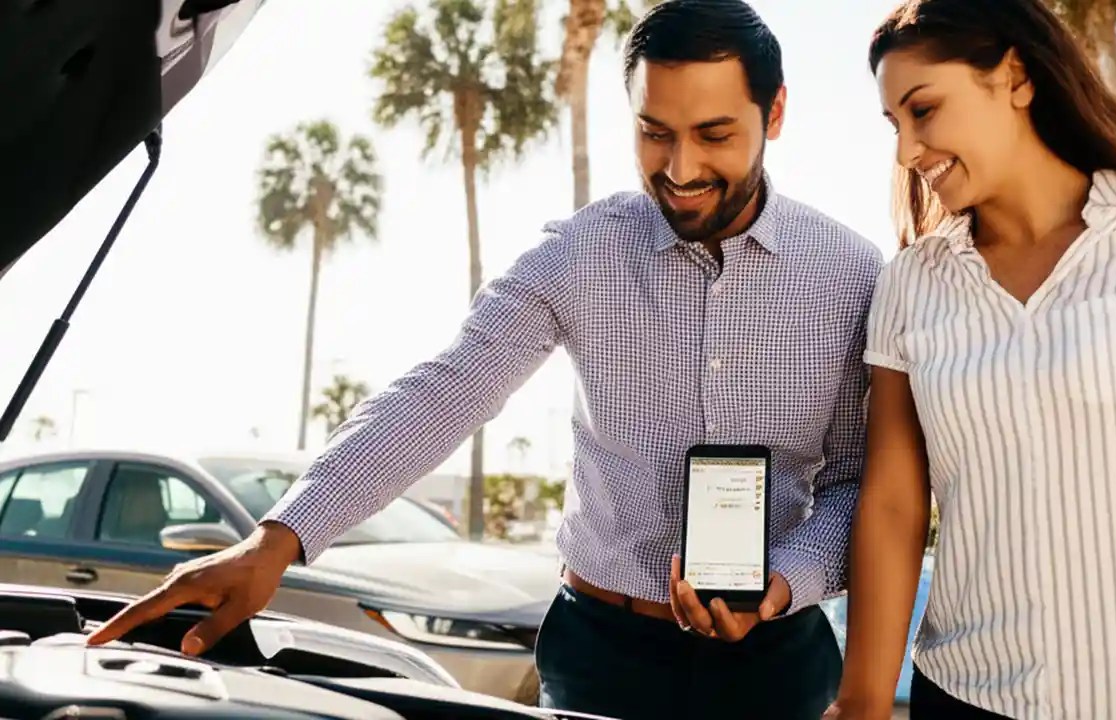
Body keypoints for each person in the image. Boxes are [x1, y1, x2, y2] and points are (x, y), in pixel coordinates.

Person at [87, 2, 883, 718]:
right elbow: (447, 390)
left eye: (714, 136)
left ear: (774, 113)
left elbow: (855, 481)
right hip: (601, 653)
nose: (678, 170)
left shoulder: (851, 275)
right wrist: (280, 538)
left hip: (775, 663)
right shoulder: (578, 254)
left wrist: (785, 581)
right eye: (654, 132)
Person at [822, 1, 1116, 719]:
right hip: (977, 696)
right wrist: (862, 704)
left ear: (1016, 76)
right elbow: (892, 506)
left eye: (924, 110)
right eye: (895, 125)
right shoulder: (911, 283)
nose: (908, 150)